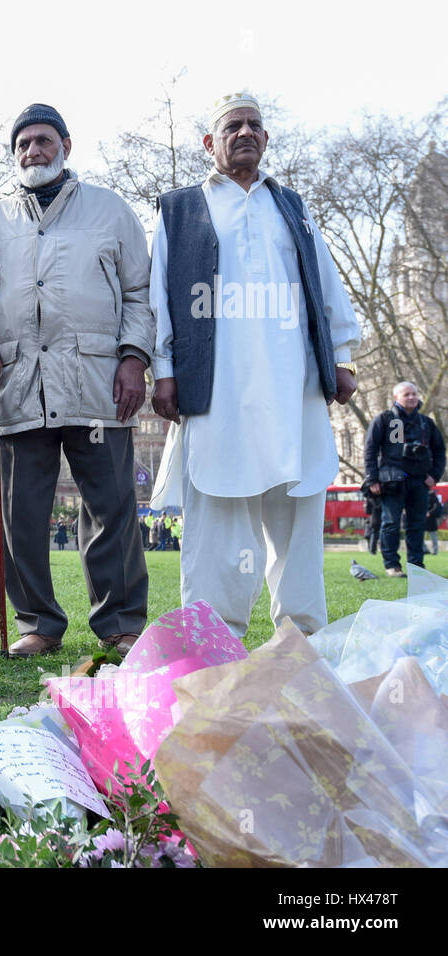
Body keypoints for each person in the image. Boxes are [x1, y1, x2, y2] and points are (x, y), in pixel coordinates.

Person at [149, 92, 361, 637]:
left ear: (266, 139)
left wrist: (340, 357)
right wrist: (165, 369)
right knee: (219, 524)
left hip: (294, 393)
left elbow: (324, 284)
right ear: (208, 143)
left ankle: (302, 644)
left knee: (298, 519)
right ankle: (217, 647)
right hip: (218, 395)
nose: (246, 133)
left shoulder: (293, 206)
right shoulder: (180, 209)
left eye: (255, 126)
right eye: (233, 126)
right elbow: (160, 296)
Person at [0, 103, 151, 658]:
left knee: (111, 507)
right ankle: (37, 623)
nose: (33, 151)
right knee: (21, 514)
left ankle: (120, 623)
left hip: (98, 386)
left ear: (66, 143)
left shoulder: (111, 211)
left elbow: (140, 293)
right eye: (23, 144)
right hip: (18, 386)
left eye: (43, 140)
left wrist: (134, 357)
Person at [364, 381, 445, 576]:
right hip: (391, 481)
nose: (411, 397)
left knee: (417, 524)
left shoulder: (426, 423)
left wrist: (434, 475)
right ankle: (392, 565)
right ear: (396, 398)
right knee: (391, 523)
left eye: (414, 394)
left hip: (419, 481)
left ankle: (416, 566)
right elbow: (370, 449)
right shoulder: (386, 420)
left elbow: (440, 450)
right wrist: (372, 479)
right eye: (406, 394)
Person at [428, 492, 443, 556]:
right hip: (422, 519)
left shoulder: (434, 497)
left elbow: (436, 507)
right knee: (418, 535)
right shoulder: (422, 494)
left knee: (433, 535)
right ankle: (424, 550)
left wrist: (430, 513)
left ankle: (435, 551)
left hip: (432, 519)